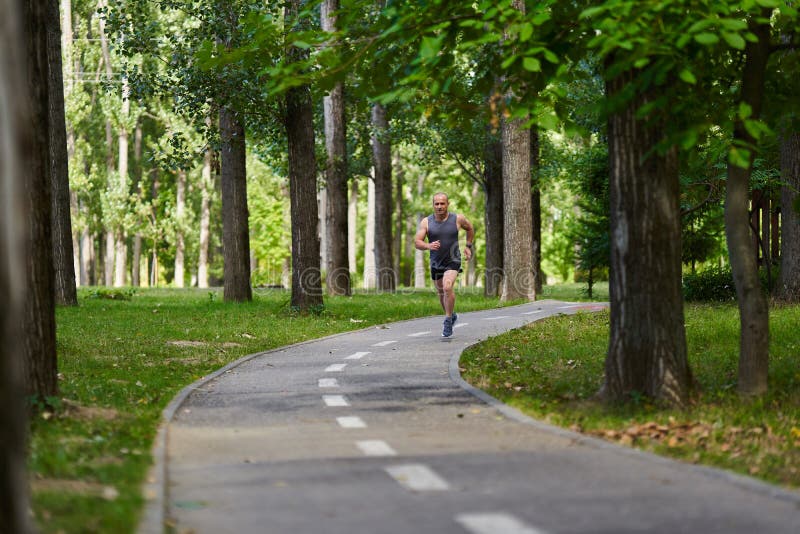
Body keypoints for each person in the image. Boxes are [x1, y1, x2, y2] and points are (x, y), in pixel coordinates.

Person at [414, 192, 475, 337]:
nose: (440, 206)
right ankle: (451, 315)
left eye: (442, 203)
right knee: (441, 292)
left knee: (447, 286)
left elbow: (470, 229)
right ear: (433, 205)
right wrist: (428, 246)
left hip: (452, 260)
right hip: (436, 261)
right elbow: (417, 242)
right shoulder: (426, 222)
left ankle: (447, 320)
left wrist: (468, 246)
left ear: (448, 204)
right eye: (437, 204)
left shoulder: (457, 219)